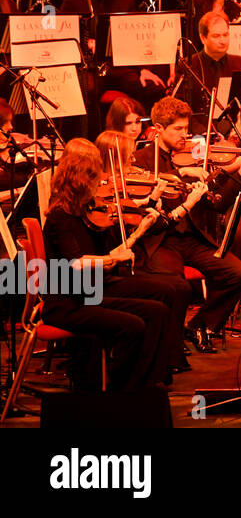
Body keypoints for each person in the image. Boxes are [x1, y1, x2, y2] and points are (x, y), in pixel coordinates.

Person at [38, 139, 175, 391]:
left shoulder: (82, 213)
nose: (99, 185)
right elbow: (77, 263)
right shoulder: (61, 217)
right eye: (94, 181)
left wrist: (138, 233)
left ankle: (145, 384)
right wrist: (113, 259)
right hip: (65, 304)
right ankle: (120, 389)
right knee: (133, 326)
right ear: (80, 183)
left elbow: (107, 257)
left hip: (88, 296)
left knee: (158, 311)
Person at [134, 96, 241, 353]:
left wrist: (238, 174)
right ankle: (170, 344)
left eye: (186, 129)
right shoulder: (142, 157)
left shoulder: (192, 157)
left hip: (191, 237)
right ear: (158, 128)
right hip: (161, 239)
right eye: (177, 129)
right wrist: (179, 175)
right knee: (178, 286)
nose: (184, 135)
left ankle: (201, 325)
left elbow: (216, 204)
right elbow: (147, 191)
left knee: (237, 273)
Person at [173, 11, 241, 135]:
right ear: (203, 38)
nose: (222, 41)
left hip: (236, 133)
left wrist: (238, 131)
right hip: (199, 136)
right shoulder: (188, 65)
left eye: (225, 35)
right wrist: (203, 133)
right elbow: (179, 107)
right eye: (216, 36)